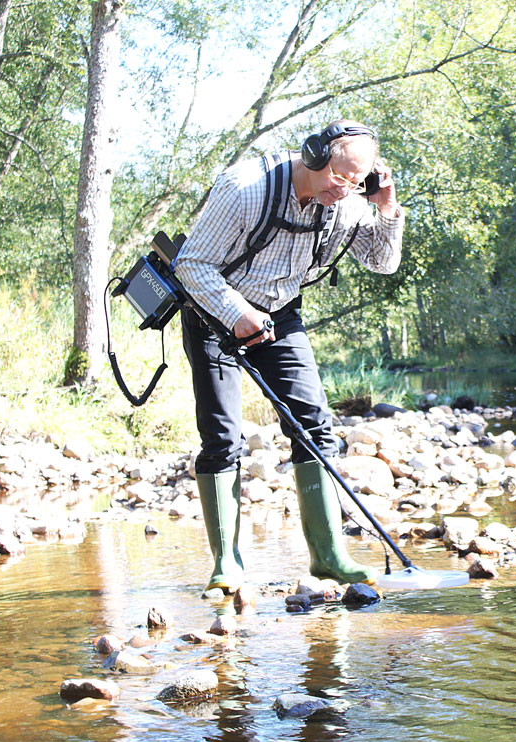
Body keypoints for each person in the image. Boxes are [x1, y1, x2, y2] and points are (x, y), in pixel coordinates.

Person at [174, 119, 405, 594]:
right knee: (223, 437)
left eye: (357, 182)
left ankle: (328, 556)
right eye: (339, 178)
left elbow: (382, 262)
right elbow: (190, 265)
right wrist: (235, 313)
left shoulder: (345, 205)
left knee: (316, 426)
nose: (345, 191)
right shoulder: (245, 189)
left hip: (280, 315)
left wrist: (386, 209)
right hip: (212, 312)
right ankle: (227, 565)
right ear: (314, 154)